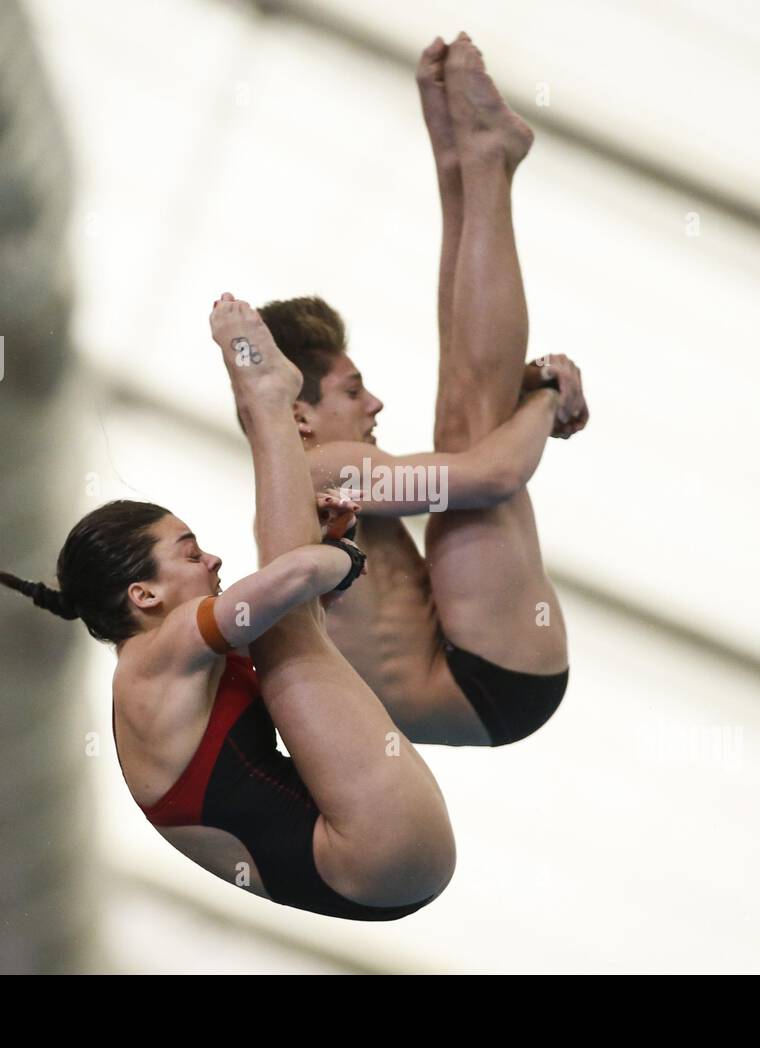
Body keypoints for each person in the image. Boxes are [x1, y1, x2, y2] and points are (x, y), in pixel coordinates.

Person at [0, 295, 455, 920]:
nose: (214, 561)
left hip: (381, 868)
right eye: (190, 554)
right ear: (143, 595)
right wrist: (340, 558)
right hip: (374, 850)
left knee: (287, 621)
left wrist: (330, 548)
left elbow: (301, 591)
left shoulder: (170, 675)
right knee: (285, 614)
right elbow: (296, 576)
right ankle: (266, 403)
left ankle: (265, 398)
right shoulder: (152, 659)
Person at [255, 34, 589, 747]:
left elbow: (485, 462)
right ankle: (482, 163)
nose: (374, 406)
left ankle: (462, 163)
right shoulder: (318, 470)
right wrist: (545, 396)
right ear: (302, 414)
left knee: (463, 420)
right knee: (468, 442)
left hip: (471, 657)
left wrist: (535, 397)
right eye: (353, 391)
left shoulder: (311, 474)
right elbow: (496, 475)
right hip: (492, 677)